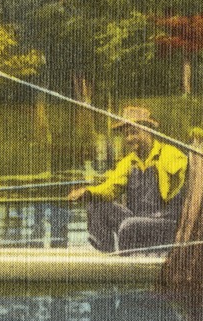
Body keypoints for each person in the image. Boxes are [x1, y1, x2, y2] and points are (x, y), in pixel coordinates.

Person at [68, 106, 188, 253]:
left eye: (134, 133)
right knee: (96, 206)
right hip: (136, 219)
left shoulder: (170, 153)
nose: (129, 139)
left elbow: (181, 174)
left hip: (166, 223)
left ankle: (130, 264)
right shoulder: (128, 162)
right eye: (126, 135)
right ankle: (106, 256)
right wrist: (88, 192)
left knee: (129, 226)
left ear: (148, 131)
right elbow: (110, 187)